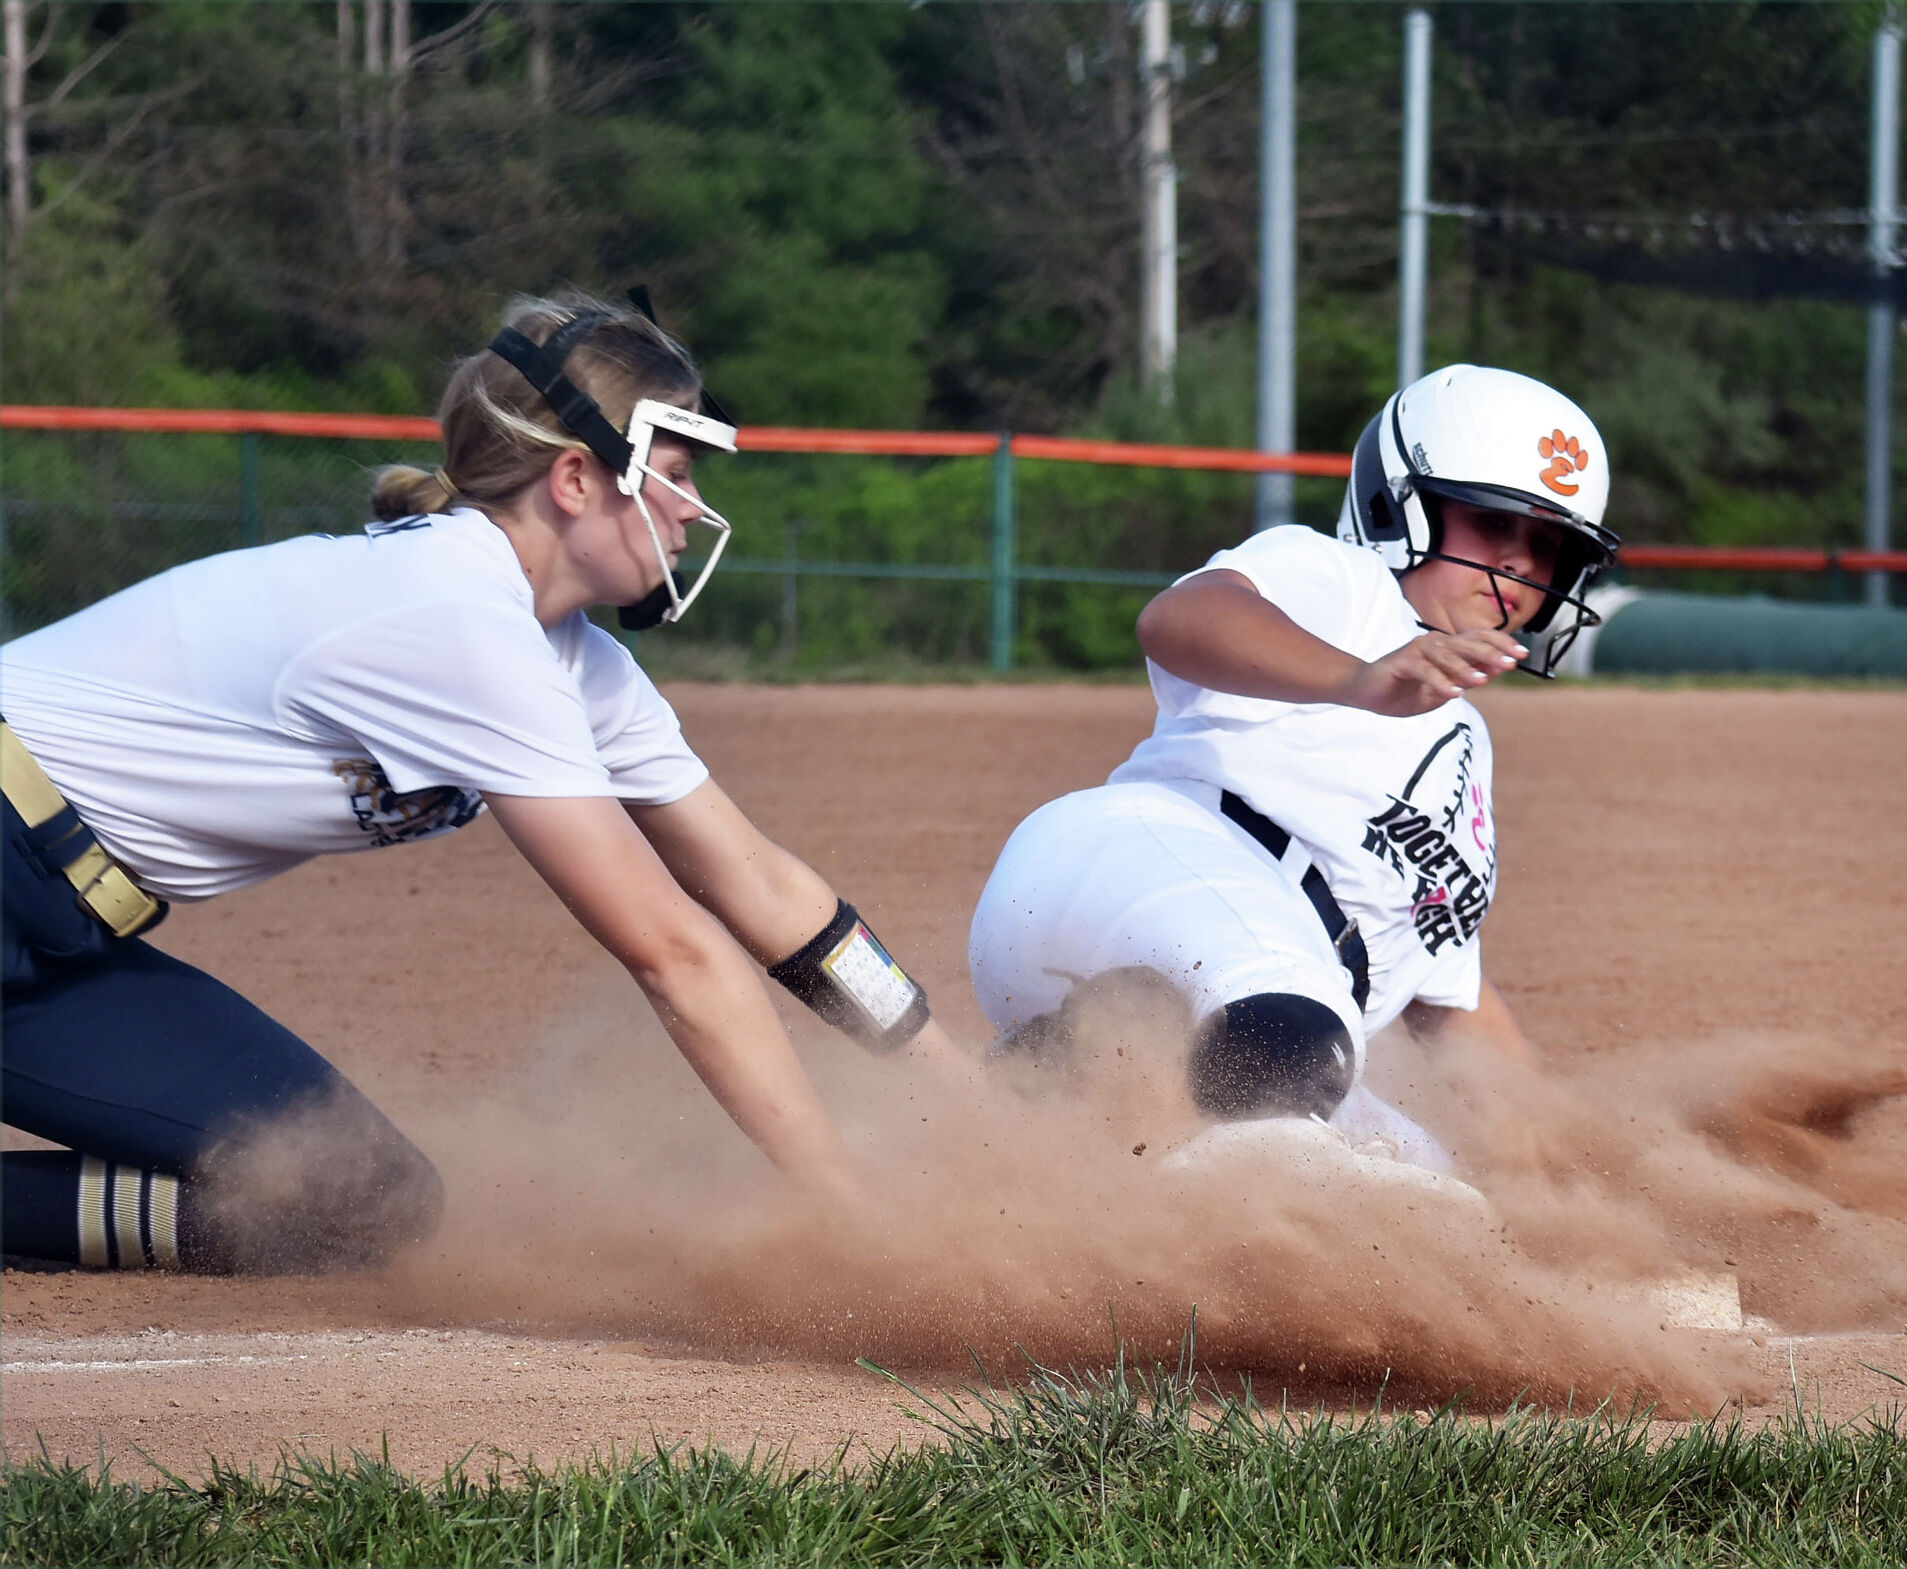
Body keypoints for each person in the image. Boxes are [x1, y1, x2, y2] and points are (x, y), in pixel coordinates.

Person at [1, 291, 948, 1273]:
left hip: (56, 937)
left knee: (353, 1200)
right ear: (575, 479)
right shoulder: (455, 618)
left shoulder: (572, 663)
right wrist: (849, 1208)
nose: (691, 512)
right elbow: (675, 951)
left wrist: (957, 1094)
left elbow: (761, 886)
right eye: (669, 474)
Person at [967, 364, 1620, 1168]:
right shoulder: (1345, 586)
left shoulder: (1463, 739)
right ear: (1397, 504)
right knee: (1297, 1040)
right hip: (1146, 870)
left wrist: (1583, 1163)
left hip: (1250, 1007)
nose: (1520, 568)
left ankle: (1059, 1108)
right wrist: (1361, 677)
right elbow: (1178, 617)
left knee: (1426, 1193)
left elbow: (1454, 1006)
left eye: (1550, 547)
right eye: (1493, 526)